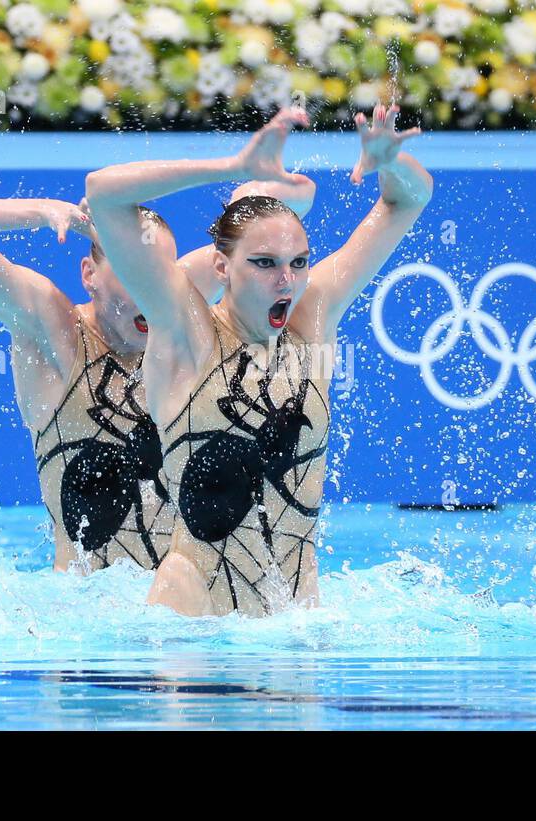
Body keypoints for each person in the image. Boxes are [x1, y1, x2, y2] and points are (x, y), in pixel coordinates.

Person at [86, 104, 432, 615]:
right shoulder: (185, 329)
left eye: (298, 262)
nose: (286, 280)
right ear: (222, 266)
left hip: (293, 617)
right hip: (191, 614)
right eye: (265, 264)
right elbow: (103, 195)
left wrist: (391, 162)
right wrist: (232, 169)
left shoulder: (312, 318)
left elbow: (408, 200)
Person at [0, 171, 316, 574]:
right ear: (89, 275)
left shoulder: (177, 316)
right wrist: (39, 211)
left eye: (150, 273)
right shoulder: (56, 332)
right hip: (87, 613)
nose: (144, 289)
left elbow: (285, 217)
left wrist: (254, 188)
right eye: (126, 272)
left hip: (177, 605)